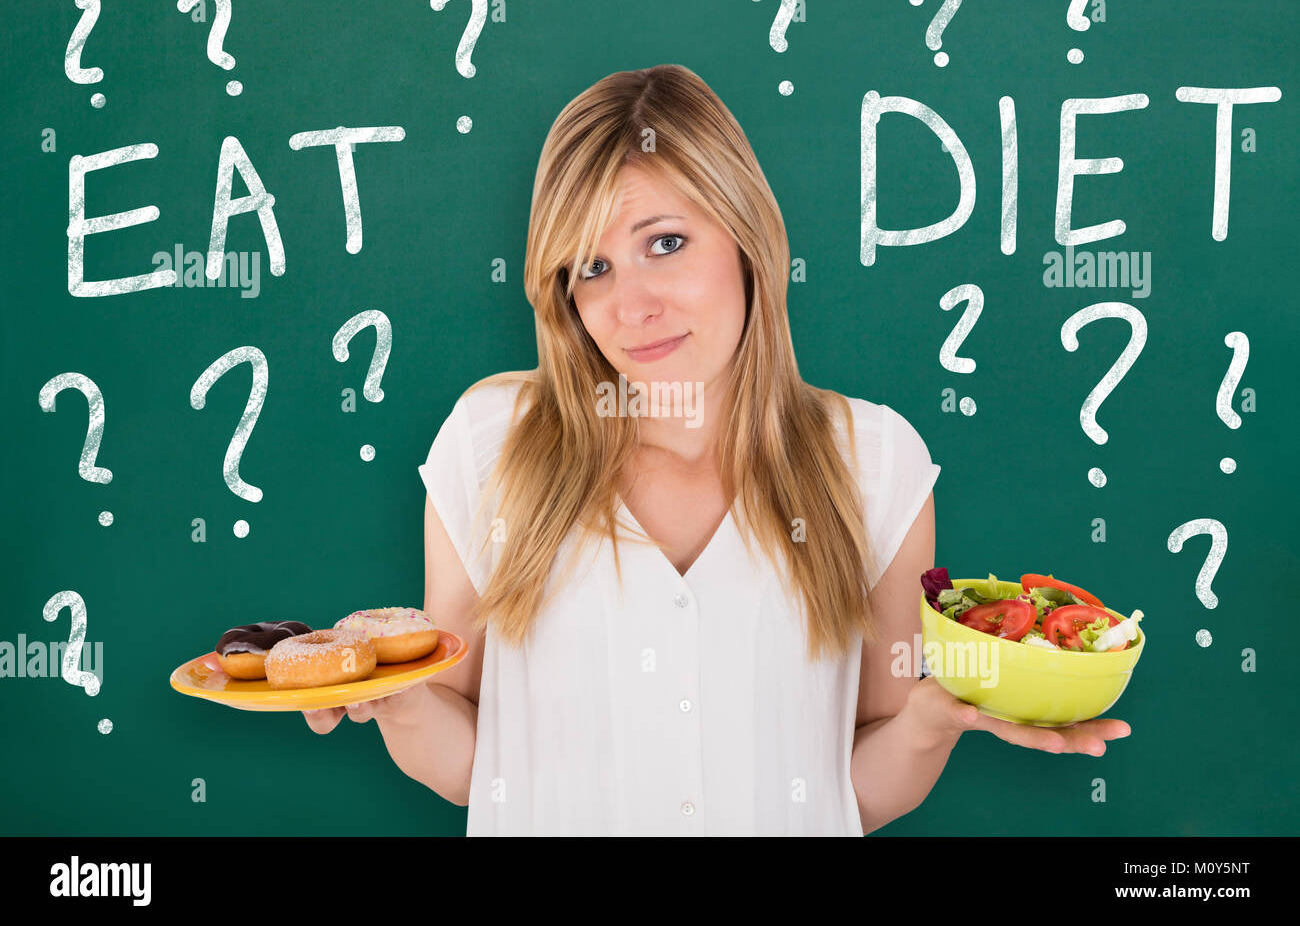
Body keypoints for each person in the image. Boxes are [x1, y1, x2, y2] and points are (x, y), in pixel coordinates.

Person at [303, 64, 1130, 835]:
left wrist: (932, 723)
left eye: (664, 243)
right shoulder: (491, 444)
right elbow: (475, 765)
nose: (632, 306)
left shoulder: (874, 464)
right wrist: (395, 703)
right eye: (591, 267)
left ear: (745, 236)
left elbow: (861, 785)